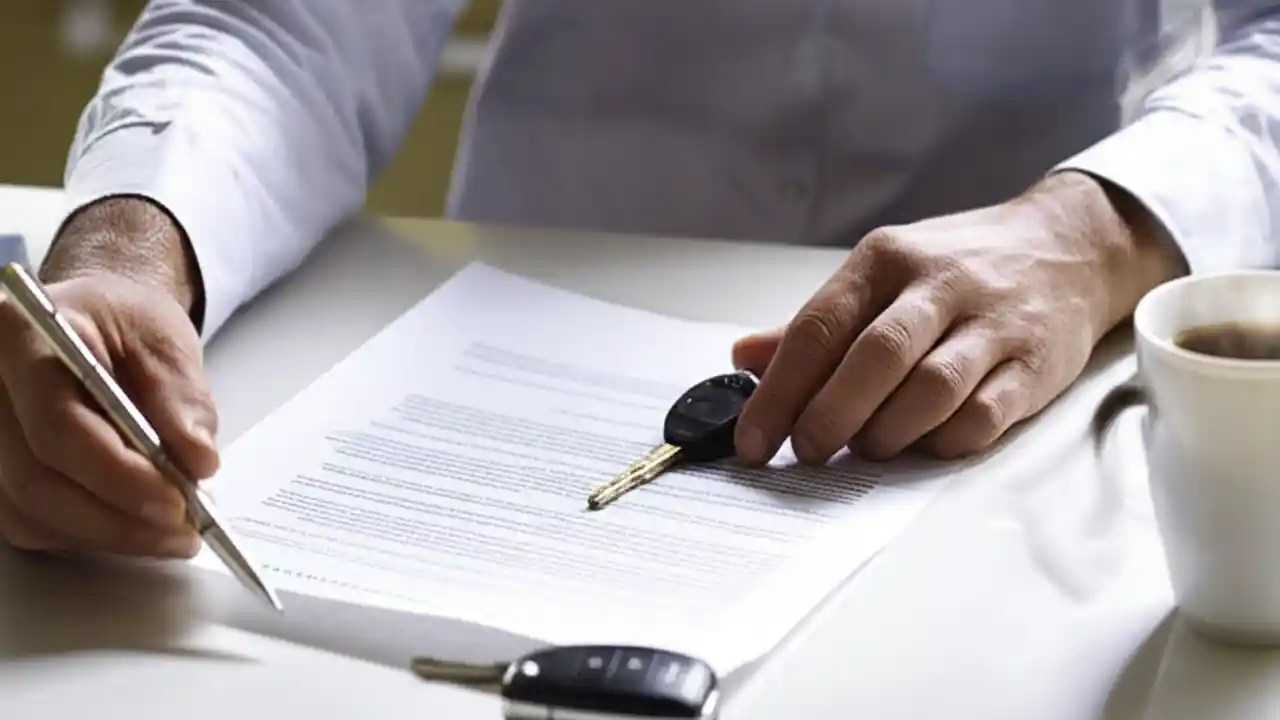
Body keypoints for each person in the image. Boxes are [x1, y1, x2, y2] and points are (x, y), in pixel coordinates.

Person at [0, 1, 1276, 559]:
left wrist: (1099, 228)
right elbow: (278, 20)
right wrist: (126, 248)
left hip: (1040, 418)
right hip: (491, 390)